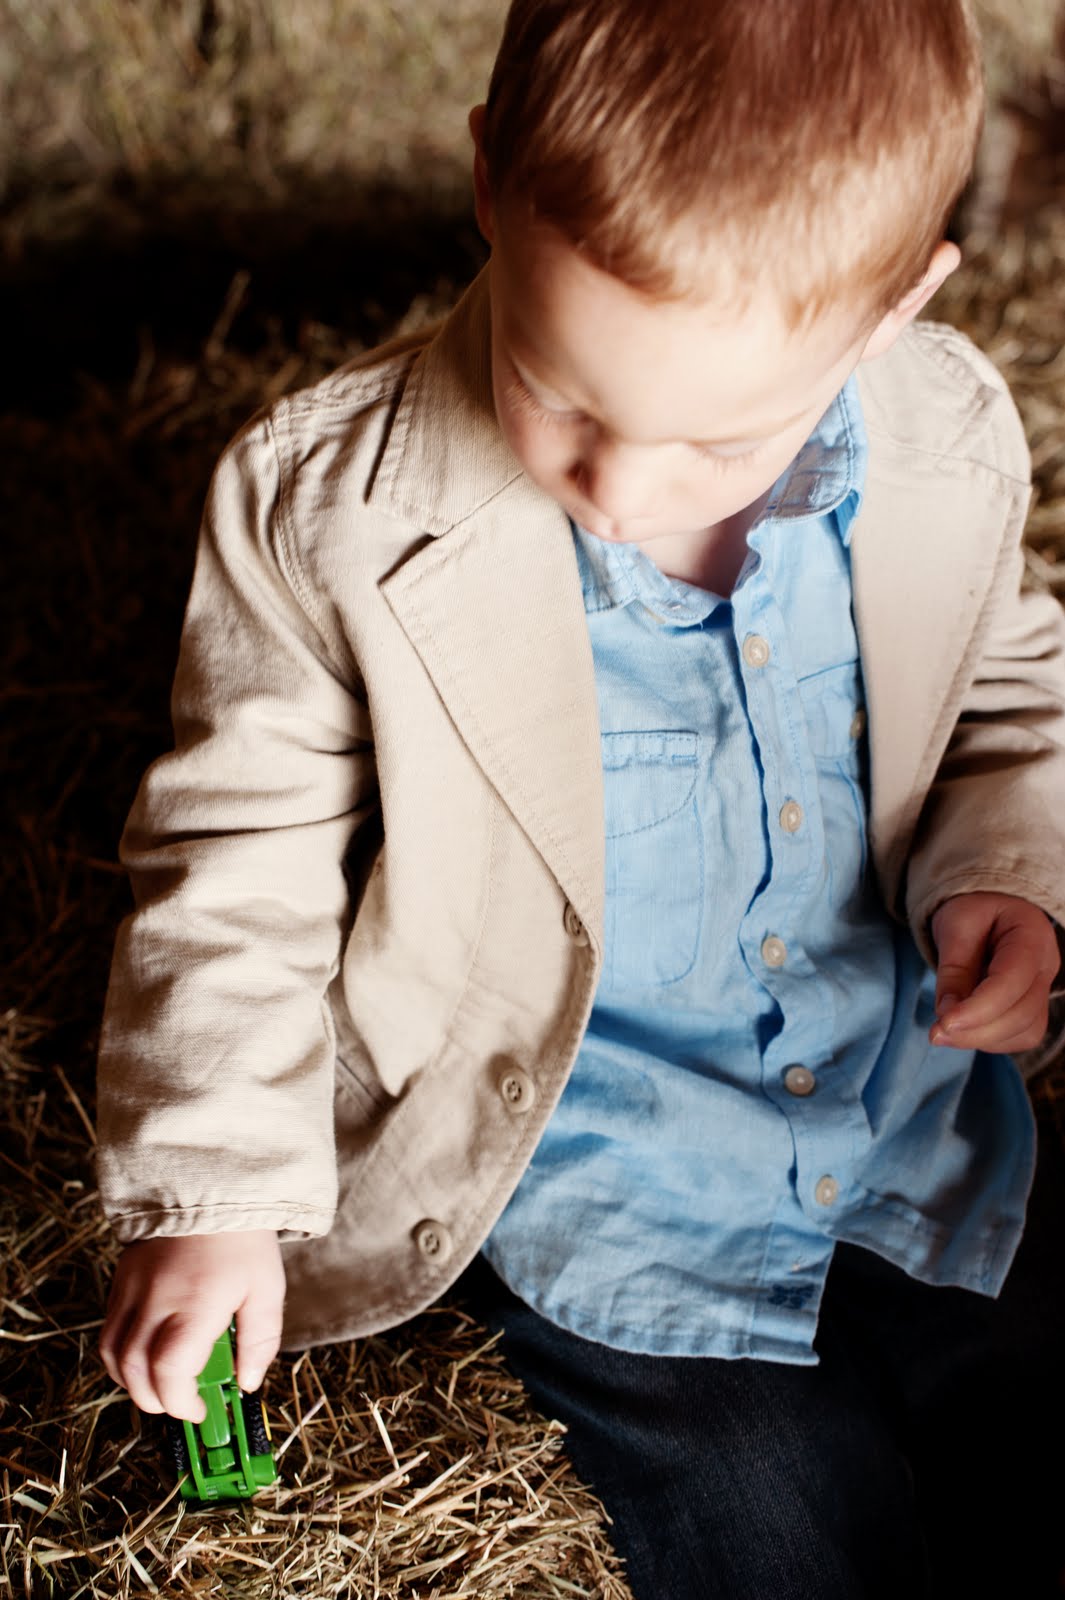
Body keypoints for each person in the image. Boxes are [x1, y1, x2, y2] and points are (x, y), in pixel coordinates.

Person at [97, 1, 1065, 1593]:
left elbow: (1003, 685)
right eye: (557, 391)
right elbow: (236, 861)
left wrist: (1002, 880)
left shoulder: (945, 438)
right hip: (603, 1192)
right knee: (777, 1527)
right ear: (487, 179)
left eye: (713, 441)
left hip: (908, 1123)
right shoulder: (322, 507)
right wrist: (215, 1192)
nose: (615, 489)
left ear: (894, 309)